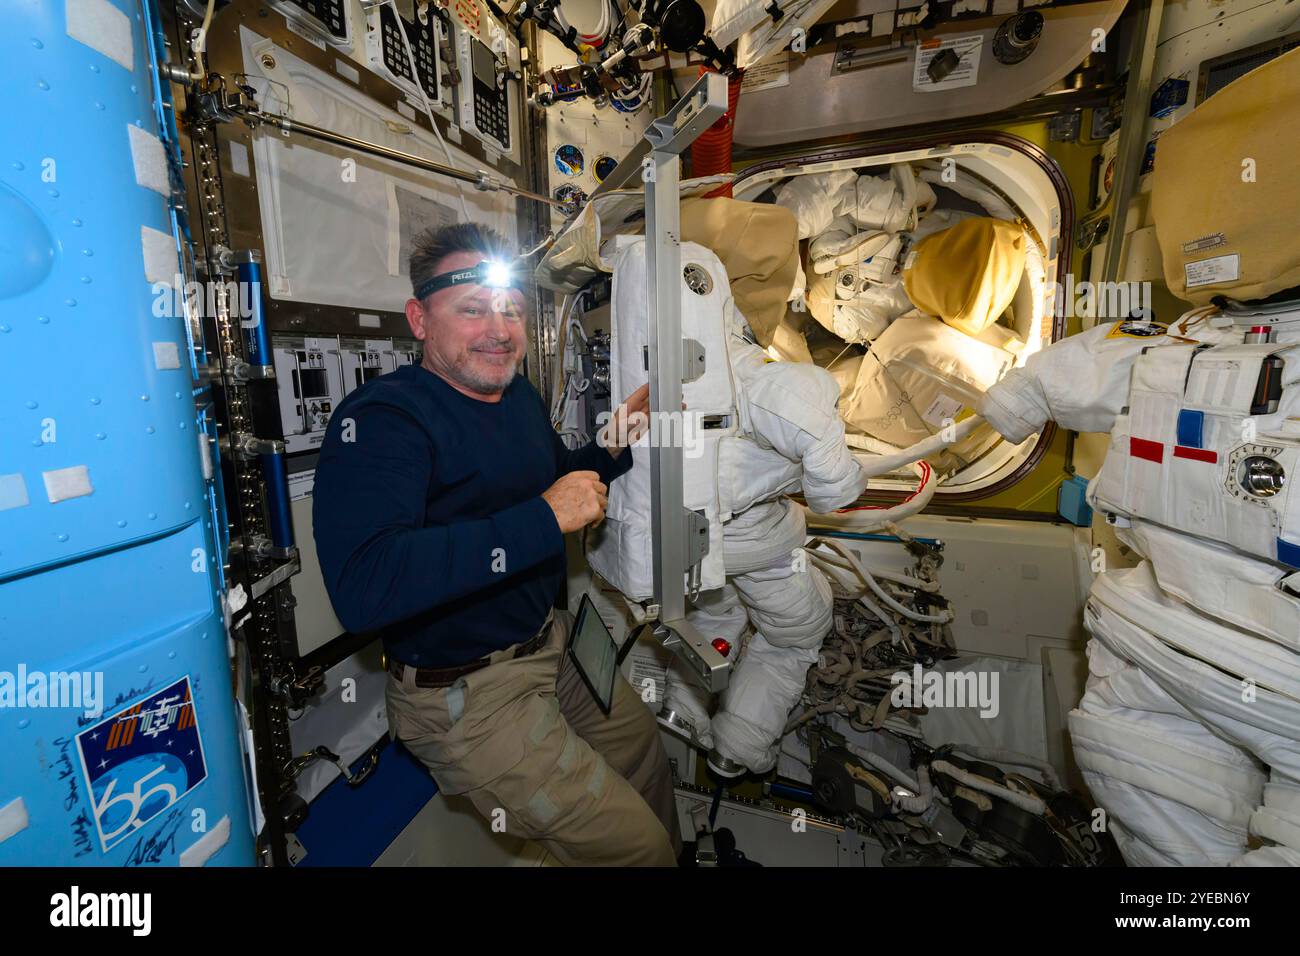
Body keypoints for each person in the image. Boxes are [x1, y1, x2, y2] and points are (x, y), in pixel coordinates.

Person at [312, 222, 682, 866]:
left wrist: (612, 445)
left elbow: (549, 487)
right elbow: (366, 588)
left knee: (644, 754)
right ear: (420, 319)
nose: (499, 328)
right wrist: (543, 518)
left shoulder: (516, 399)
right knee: (634, 849)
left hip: (552, 646)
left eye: (510, 309)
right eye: (473, 309)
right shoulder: (380, 421)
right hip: (468, 694)